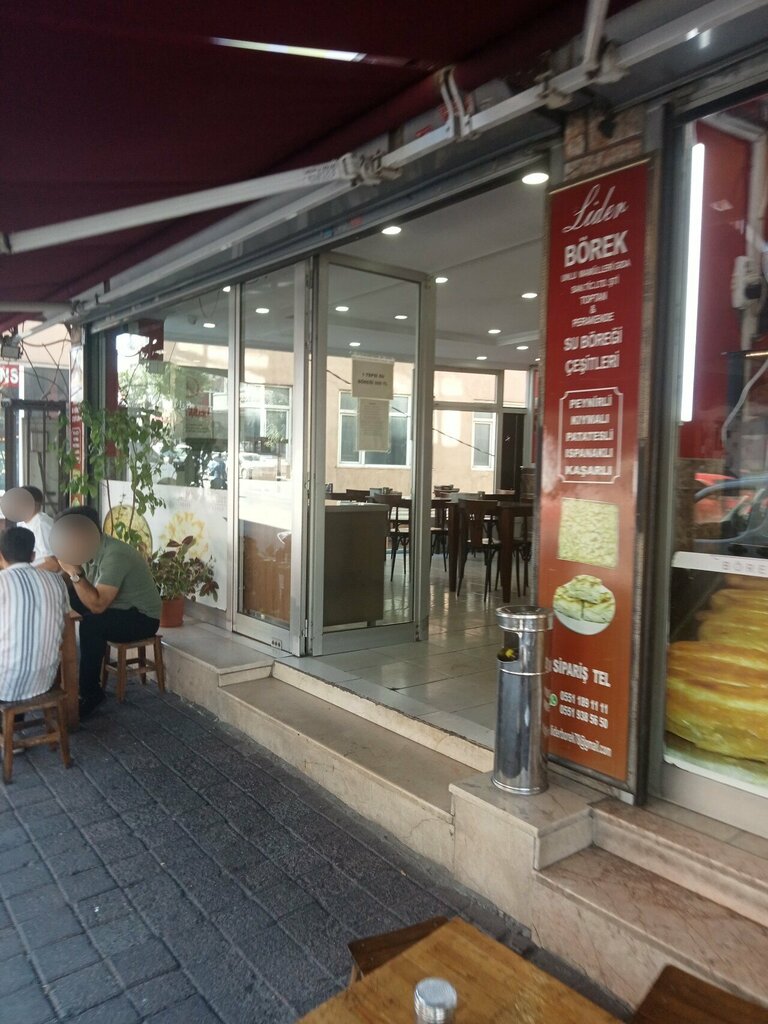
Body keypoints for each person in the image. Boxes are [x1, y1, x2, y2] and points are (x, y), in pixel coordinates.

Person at [55, 506, 161, 718]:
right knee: (62, 596)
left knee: (91, 625)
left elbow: (98, 605)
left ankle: (90, 693)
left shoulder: (115, 554)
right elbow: (65, 576)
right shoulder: (86, 548)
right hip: (115, 609)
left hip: (141, 617)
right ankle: (56, 679)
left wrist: (74, 571)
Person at [0, 526, 69, 702]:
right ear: (32, 556)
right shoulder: (57, 581)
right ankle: (15, 717)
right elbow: (65, 626)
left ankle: (9, 720)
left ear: (1, 556)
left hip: (4, 683)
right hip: (44, 679)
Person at [20, 486, 56, 568]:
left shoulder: (42, 525)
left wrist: (26, 574)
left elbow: (53, 564)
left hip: (44, 578)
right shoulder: (23, 524)